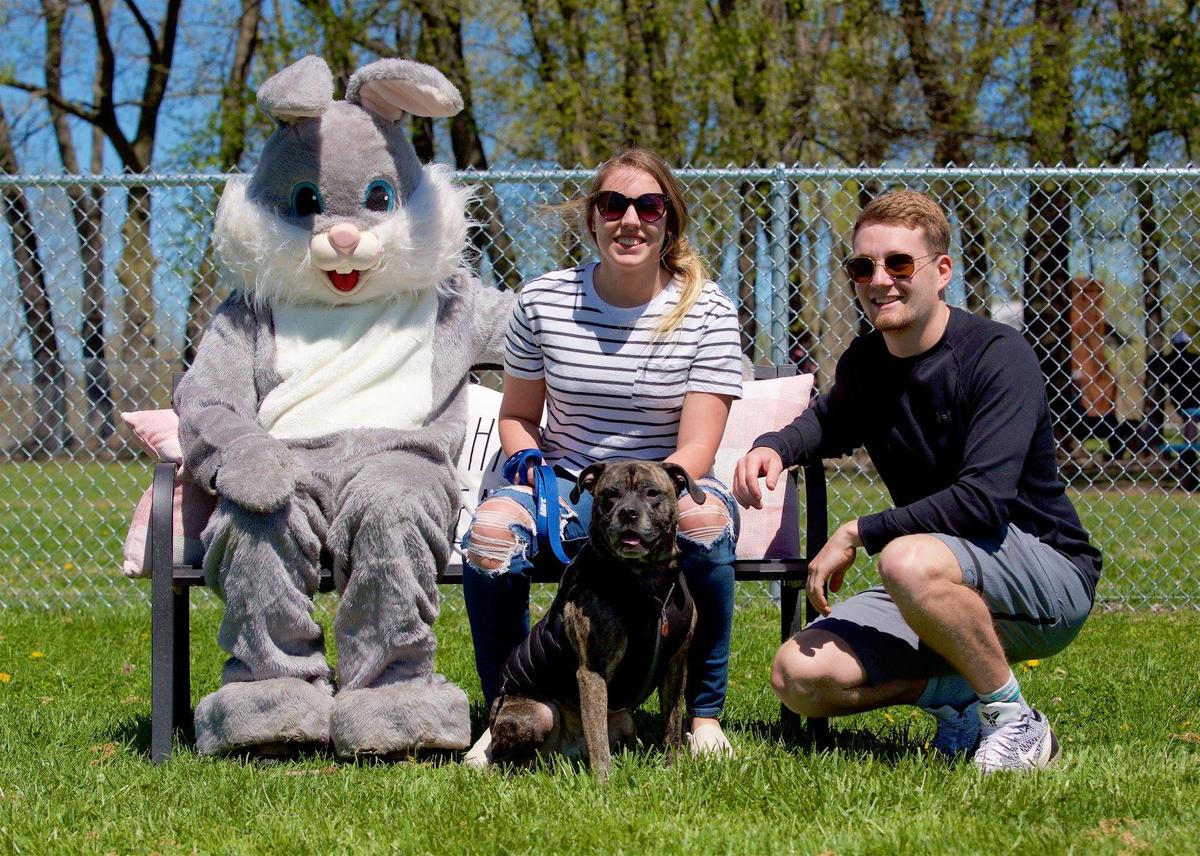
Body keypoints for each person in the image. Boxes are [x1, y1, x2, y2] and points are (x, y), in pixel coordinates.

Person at [733, 190, 1101, 772]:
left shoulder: (998, 356)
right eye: (863, 266)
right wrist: (773, 448)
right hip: (936, 576)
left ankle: (1017, 722)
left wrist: (858, 531)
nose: (880, 280)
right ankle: (958, 697)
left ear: (942, 271)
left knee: (904, 560)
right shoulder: (867, 362)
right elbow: (828, 421)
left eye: (899, 263)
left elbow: (983, 503)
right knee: (798, 676)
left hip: (1045, 574)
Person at [461, 147, 744, 765]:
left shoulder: (710, 310)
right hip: (567, 478)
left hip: (669, 481)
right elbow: (517, 418)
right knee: (488, 535)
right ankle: (507, 711)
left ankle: (702, 717)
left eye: (649, 206)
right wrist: (532, 473)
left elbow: (697, 447)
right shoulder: (542, 301)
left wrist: (649, 501)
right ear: (593, 219)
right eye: (614, 204)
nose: (630, 220)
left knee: (704, 523)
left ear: (670, 221)